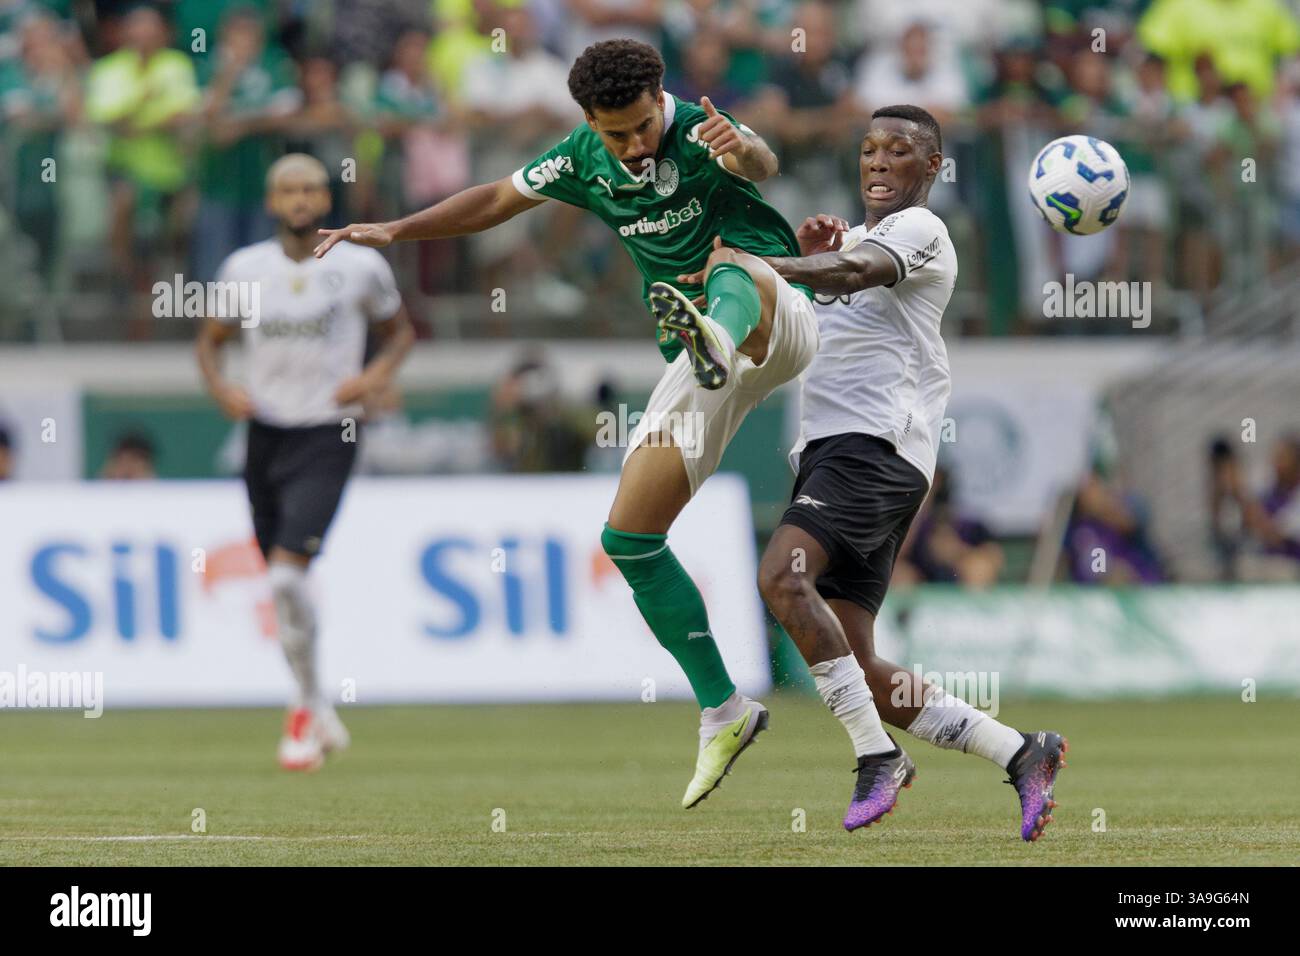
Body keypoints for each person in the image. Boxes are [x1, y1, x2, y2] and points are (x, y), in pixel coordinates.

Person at [315, 39, 820, 809]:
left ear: (662, 98)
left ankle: (712, 329)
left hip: (774, 315)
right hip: (700, 361)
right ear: (589, 120)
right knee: (629, 539)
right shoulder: (583, 157)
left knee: (729, 262)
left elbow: (760, 163)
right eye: (616, 134)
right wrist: (395, 230)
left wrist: (746, 145)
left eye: (645, 125)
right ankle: (724, 707)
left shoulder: (700, 130)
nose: (636, 144)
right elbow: (493, 201)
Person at [747, 105, 1068, 839]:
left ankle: (876, 757)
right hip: (835, 452)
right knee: (855, 665)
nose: (880, 161)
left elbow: (858, 271)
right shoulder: (852, 241)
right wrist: (804, 269)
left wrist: (768, 266)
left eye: (900, 151)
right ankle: (1020, 751)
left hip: (874, 446)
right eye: (869, 149)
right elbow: (830, 290)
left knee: (779, 576)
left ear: (932, 168)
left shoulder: (922, 231)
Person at [196, 153, 414, 771]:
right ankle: (316, 701)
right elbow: (209, 344)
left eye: (310, 189)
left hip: (329, 431)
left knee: (289, 577)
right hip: (264, 433)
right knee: (278, 579)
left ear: (325, 200)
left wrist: (371, 378)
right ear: (272, 201)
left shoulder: (361, 267)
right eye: (288, 189)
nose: (299, 199)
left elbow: (400, 333)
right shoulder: (243, 269)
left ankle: (302, 709)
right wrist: (222, 391)